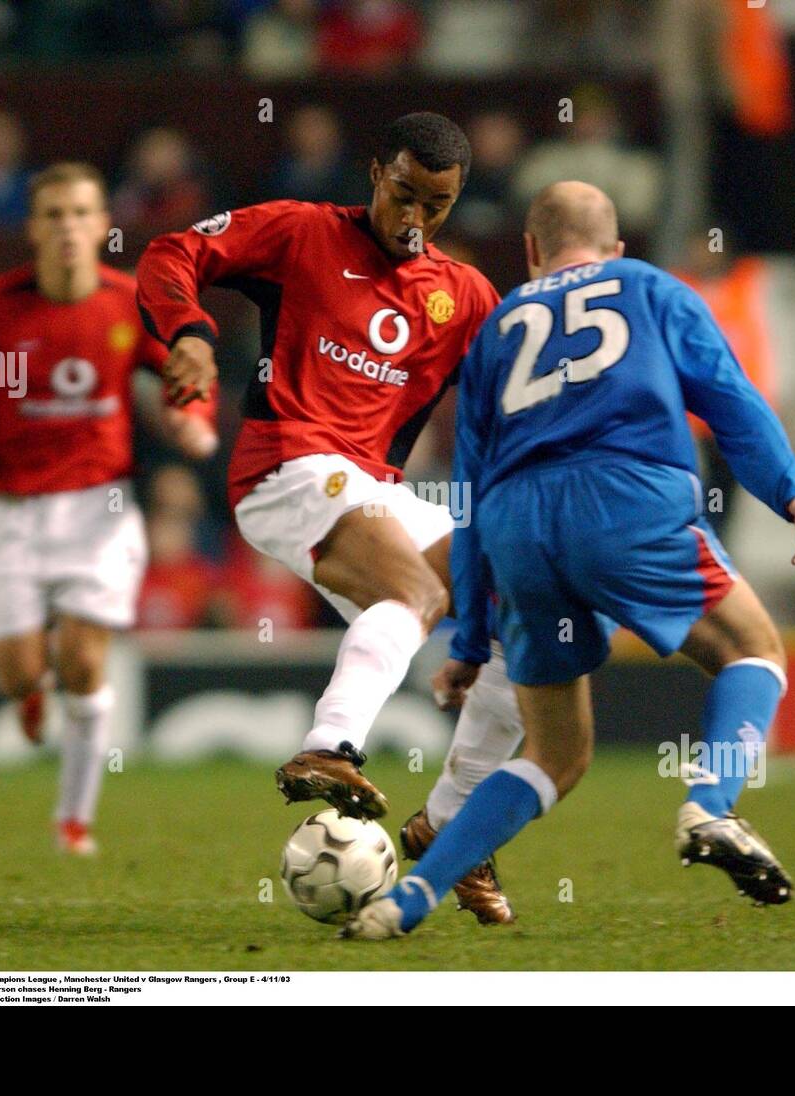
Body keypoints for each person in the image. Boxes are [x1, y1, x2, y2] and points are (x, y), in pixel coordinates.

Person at [343, 181, 795, 940]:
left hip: (515, 526)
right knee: (753, 651)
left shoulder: (498, 328)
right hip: (625, 494)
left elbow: (467, 497)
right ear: (616, 249)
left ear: (532, 253)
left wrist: (471, 640)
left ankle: (408, 898)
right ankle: (709, 806)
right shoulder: (649, 288)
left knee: (555, 753)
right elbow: (731, 401)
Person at [138, 112, 523, 924]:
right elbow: (173, 253)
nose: (416, 220)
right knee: (417, 593)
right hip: (287, 467)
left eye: (438, 206)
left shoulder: (464, 296)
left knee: (513, 635)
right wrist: (189, 334)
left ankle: (450, 829)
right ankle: (330, 746)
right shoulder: (301, 232)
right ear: (376, 171)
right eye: (405, 194)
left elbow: (516, 406)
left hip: (376, 489)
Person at [0, 162, 218, 855]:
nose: (68, 228)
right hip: (13, 509)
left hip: (100, 508)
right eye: (53, 214)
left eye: (81, 213)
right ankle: (29, 690)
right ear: (32, 228)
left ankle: (73, 820)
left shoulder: (125, 302)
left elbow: (184, 366)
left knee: (83, 665)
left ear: (103, 226)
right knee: (19, 670)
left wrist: (191, 416)